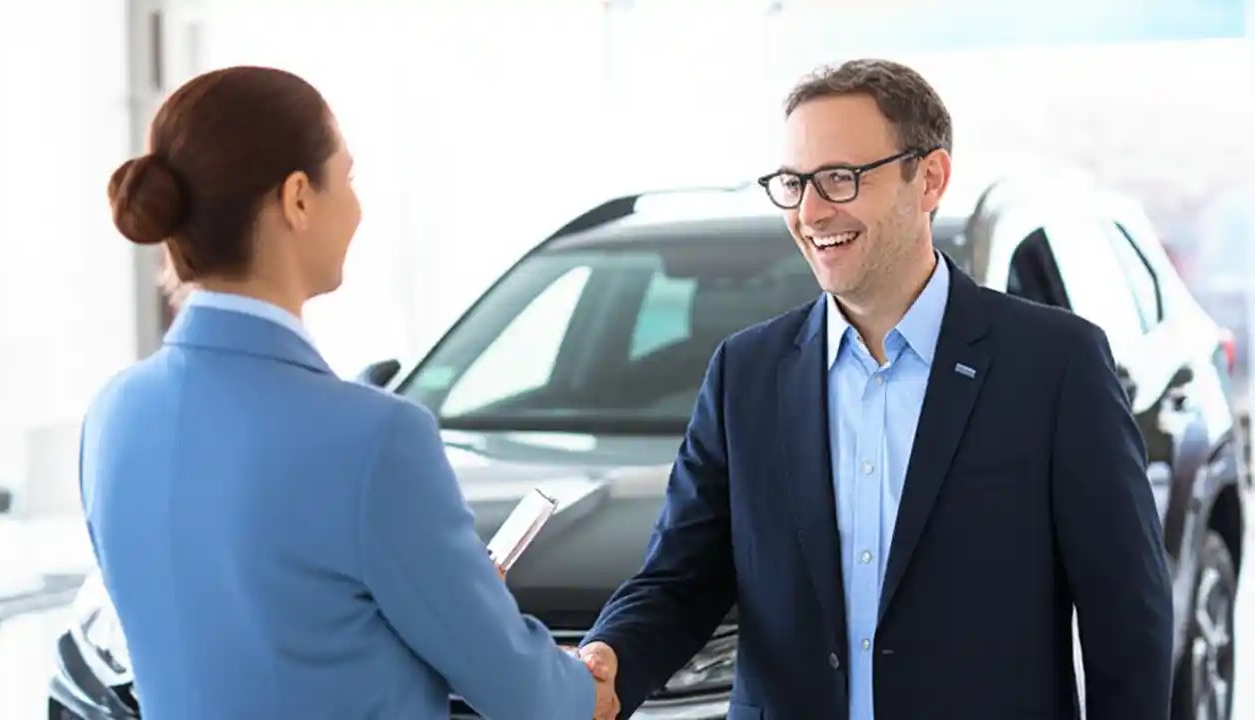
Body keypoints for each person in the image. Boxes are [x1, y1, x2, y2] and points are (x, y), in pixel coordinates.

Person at [577, 59, 1172, 719]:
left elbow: (1128, 619)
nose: (809, 211)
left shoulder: (1055, 365)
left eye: (840, 178)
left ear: (930, 179)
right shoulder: (745, 373)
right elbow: (681, 578)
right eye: (793, 183)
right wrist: (611, 662)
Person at [82, 65, 617, 720]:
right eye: (349, 176)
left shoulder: (112, 415)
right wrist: (581, 684)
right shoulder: (375, 438)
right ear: (298, 198)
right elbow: (524, 694)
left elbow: (248, 639)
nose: (358, 207)